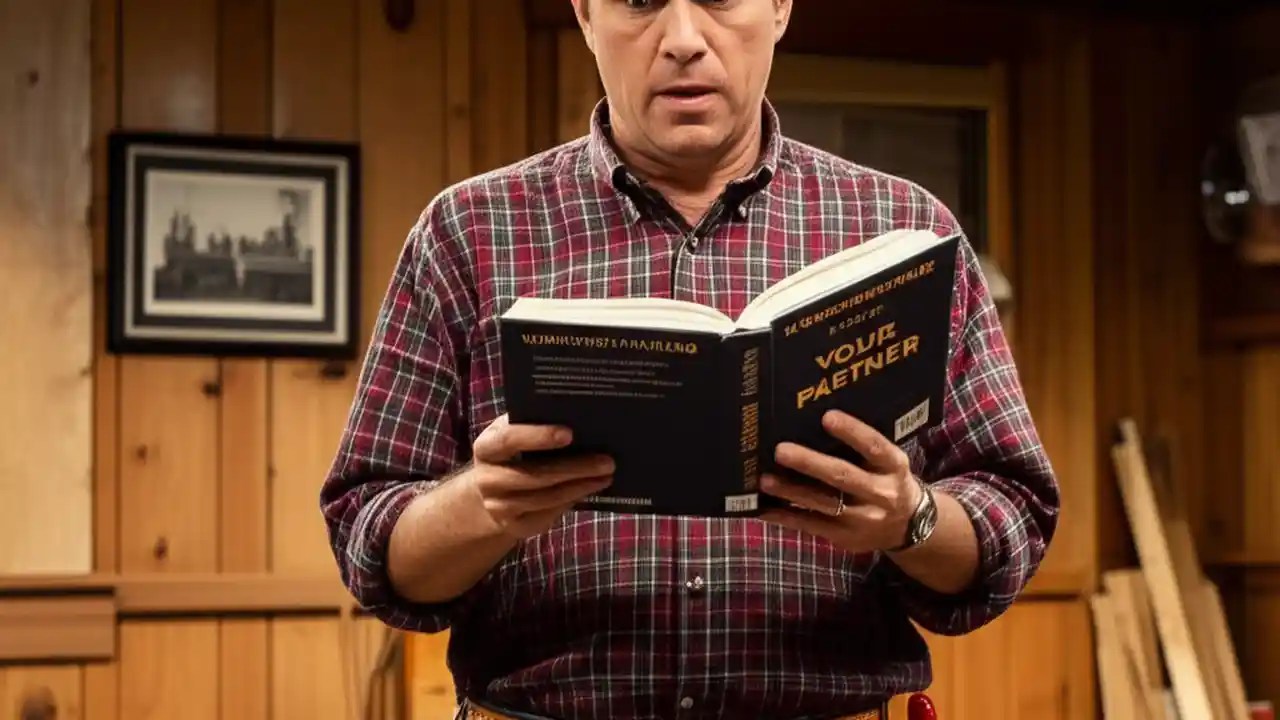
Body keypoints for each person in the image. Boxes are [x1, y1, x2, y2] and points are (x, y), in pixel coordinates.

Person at [319, 1, 1060, 718]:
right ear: (584, 13)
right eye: (640, 1)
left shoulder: (907, 233)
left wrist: (911, 517)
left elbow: (1012, 516)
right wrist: (482, 505)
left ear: (779, 6)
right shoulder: (467, 233)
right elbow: (371, 544)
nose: (682, 38)